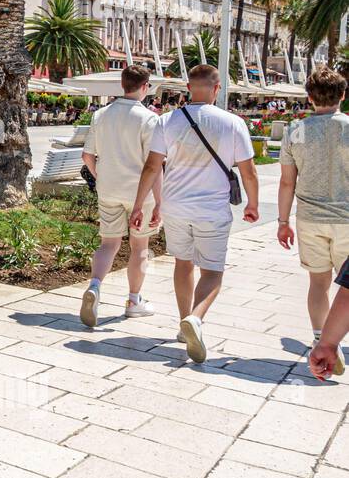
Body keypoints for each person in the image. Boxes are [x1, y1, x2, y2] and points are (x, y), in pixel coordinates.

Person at [130, 65, 260, 363]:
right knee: (212, 271)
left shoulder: (167, 121)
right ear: (217, 89)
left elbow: (152, 167)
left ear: (189, 88)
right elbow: (249, 173)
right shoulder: (233, 123)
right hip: (212, 209)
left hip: (175, 206)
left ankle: (183, 320)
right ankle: (196, 319)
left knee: (183, 263)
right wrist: (252, 204)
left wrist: (139, 205)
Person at [79, 65, 163, 328]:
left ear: (122, 85)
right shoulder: (149, 119)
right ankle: (133, 301)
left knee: (108, 244)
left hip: (109, 189)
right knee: (139, 247)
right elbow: (154, 165)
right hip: (140, 192)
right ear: (145, 86)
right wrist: (160, 201)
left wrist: (100, 176)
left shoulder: (101, 115)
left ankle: (95, 286)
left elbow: (87, 155)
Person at [276, 66, 349, 354]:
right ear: (342, 95)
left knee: (318, 282)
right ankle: (337, 341)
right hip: (346, 219)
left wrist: (283, 221)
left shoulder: (296, 131)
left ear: (310, 98)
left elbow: (286, 182)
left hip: (310, 217)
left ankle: (320, 336)